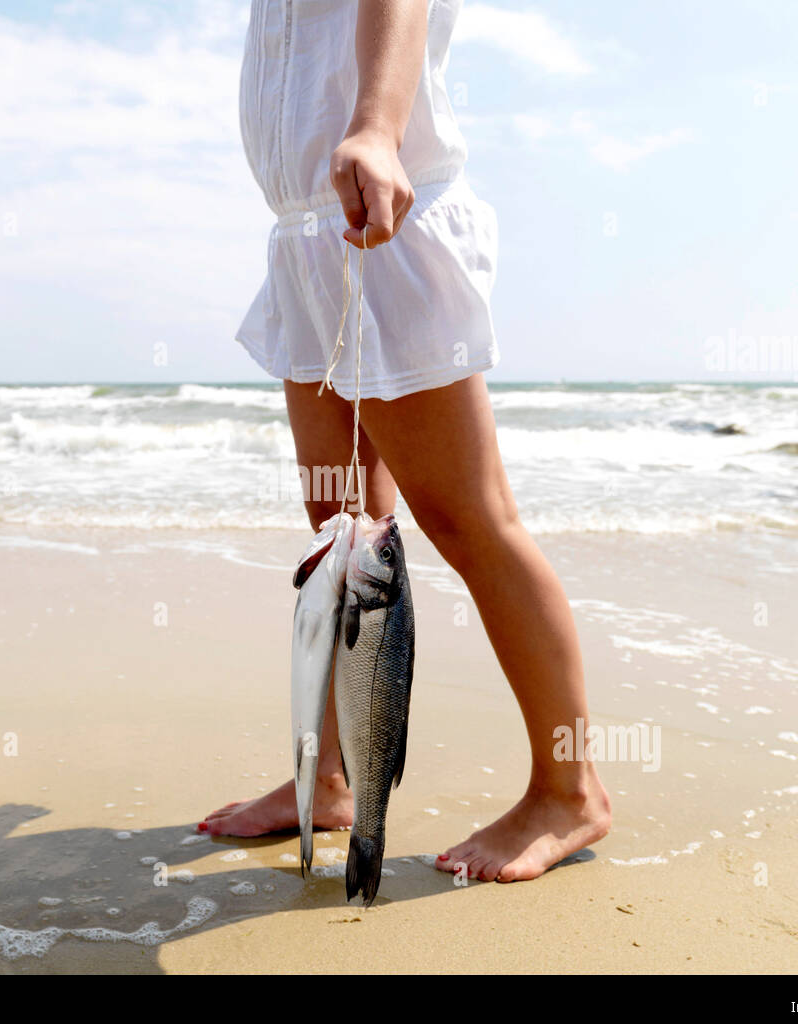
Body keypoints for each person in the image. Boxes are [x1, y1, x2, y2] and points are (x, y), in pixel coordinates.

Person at [200, 0, 610, 883]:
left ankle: (569, 790)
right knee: (339, 526)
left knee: (467, 518)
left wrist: (377, 126)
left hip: (383, 211)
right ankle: (336, 776)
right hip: (307, 233)